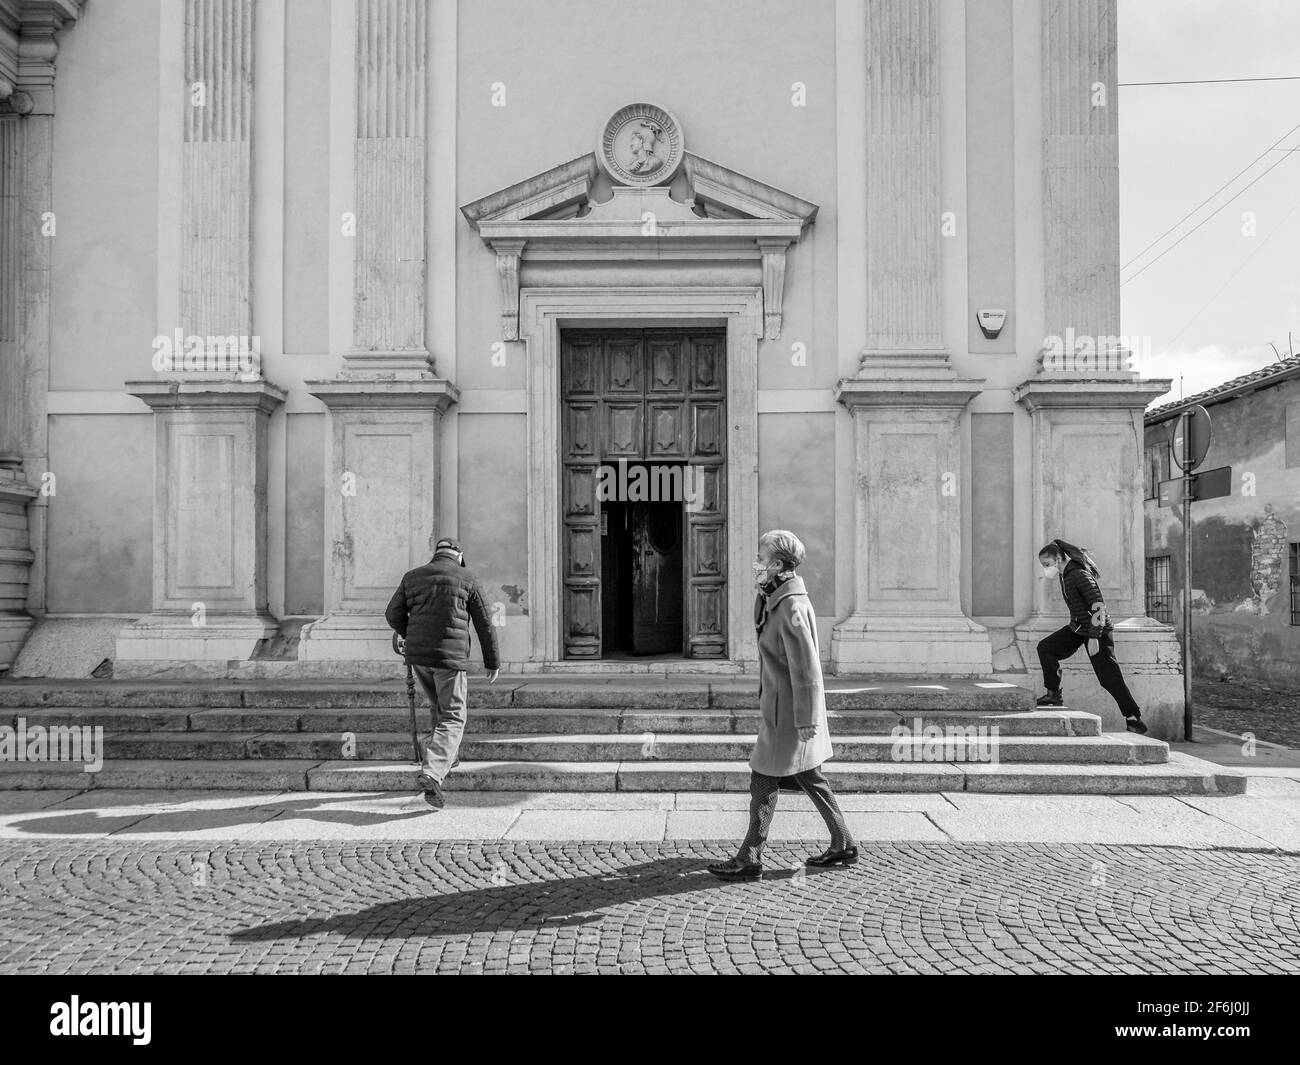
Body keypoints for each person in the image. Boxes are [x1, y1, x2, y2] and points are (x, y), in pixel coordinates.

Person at [708, 530, 858, 880]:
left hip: (789, 714)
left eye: (761, 558)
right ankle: (844, 842)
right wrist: (765, 591)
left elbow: (806, 667)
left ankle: (750, 856)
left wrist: (807, 720)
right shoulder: (777, 597)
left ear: (777, 563)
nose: (755, 564)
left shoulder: (791, 605)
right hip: (779, 708)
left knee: (763, 779)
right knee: (809, 776)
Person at [385, 536, 500, 808]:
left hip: (419, 657)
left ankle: (447, 758)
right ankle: (433, 771)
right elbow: (485, 623)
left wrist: (407, 634)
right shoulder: (467, 577)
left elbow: (392, 614)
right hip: (450, 658)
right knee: (453, 715)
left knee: (439, 707)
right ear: (459, 556)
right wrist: (492, 662)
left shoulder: (412, 577)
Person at [1035, 538, 1147, 734]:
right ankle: (1053, 695)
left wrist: (1094, 637)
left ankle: (1133, 718)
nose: (1046, 569)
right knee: (1046, 648)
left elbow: (1098, 606)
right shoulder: (1065, 574)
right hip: (1078, 629)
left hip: (1098, 631)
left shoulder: (1078, 575)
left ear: (1058, 559)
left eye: (1047, 565)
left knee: (1108, 677)